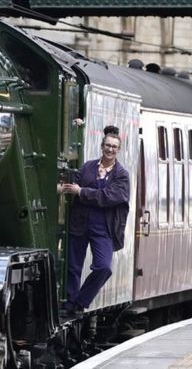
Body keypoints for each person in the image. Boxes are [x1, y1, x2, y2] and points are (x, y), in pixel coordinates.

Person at [60, 125, 130, 315]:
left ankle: (81, 301)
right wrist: (65, 187)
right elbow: (73, 183)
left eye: (114, 147)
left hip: (104, 227)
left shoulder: (121, 175)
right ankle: (69, 304)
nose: (110, 149)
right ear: (102, 146)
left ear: (118, 149)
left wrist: (82, 192)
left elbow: (109, 197)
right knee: (73, 266)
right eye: (107, 145)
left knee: (103, 267)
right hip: (80, 223)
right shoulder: (88, 167)